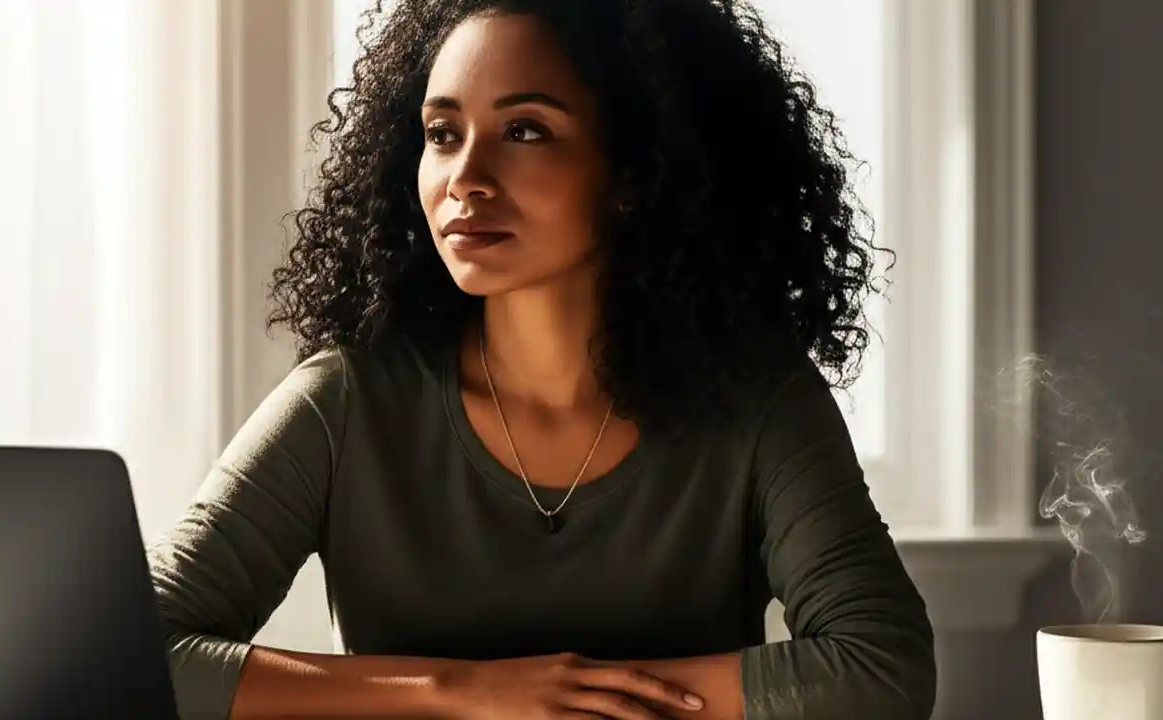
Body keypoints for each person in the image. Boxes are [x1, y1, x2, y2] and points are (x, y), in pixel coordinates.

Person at [145, 0, 936, 718]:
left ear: (632, 173)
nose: (466, 179)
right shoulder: (343, 401)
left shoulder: (759, 403)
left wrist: (571, 703)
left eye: (525, 130)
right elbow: (136, 650)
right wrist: (462, 693)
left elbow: (880, 668)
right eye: (443, 134)